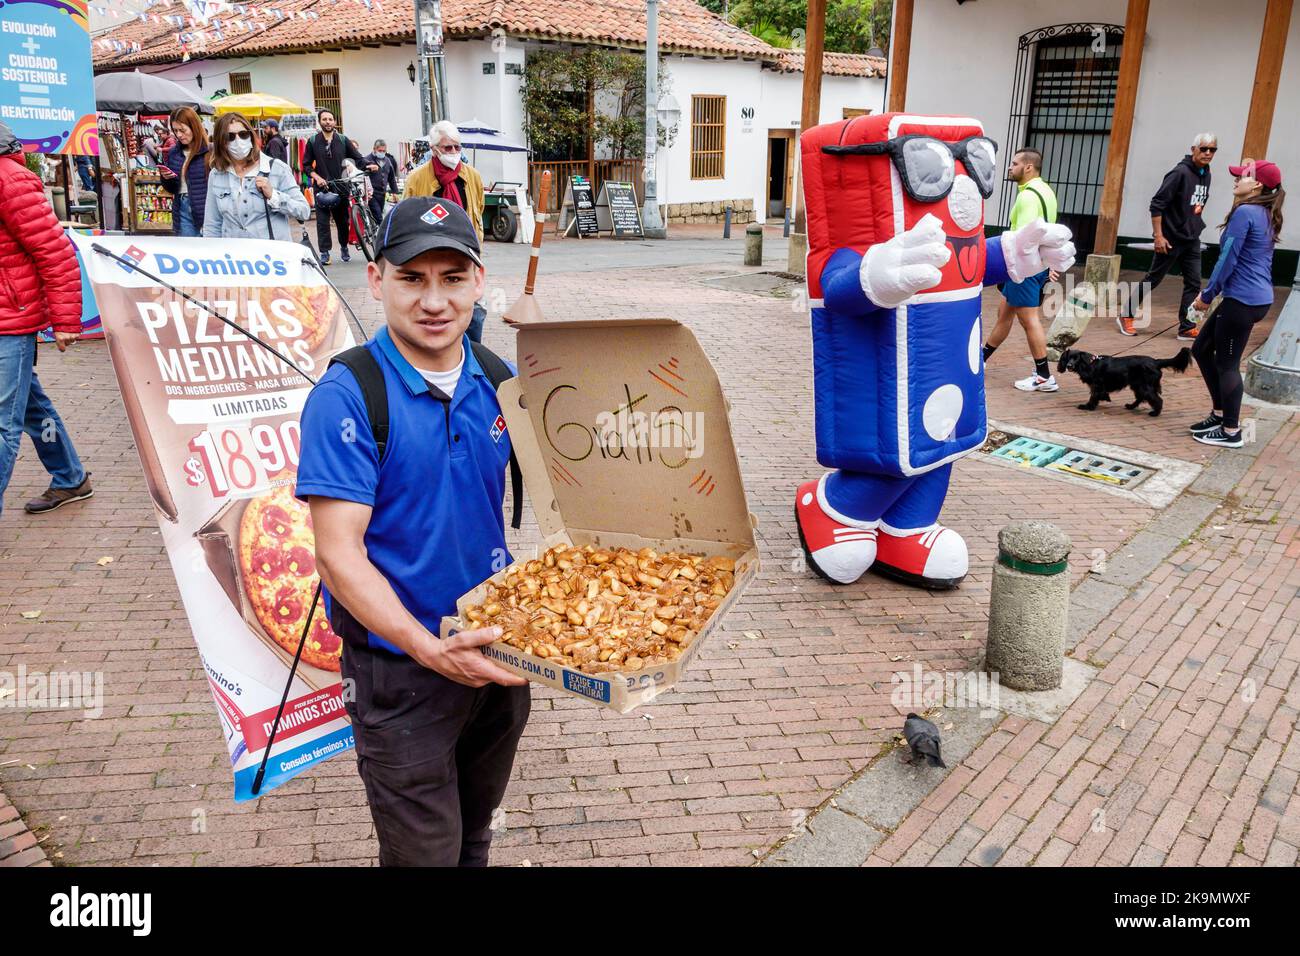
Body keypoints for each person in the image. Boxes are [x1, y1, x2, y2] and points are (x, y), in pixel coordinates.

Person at [295, 197, 529, 866]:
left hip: (498, 656)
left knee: (475, 836)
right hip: (400, 674)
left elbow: (580, 481)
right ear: (376, 280)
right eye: (411, 278)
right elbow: (338, 556)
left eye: (452, 278)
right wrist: (430, 650)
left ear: (478, 281)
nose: (433, 301)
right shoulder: (348, 398)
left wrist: (556, 363)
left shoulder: (500, 380)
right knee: (425, 856)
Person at [0, 122, 92, 517]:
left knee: (3, 425)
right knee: (33, 411)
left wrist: (66, 320)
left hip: (10, 323)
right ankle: (70, 477)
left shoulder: (10, 179)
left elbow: (55, 252)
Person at [1187, 161, 1284, 449]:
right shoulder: (1265, 212)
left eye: (1243, 176)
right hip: (1252, 298)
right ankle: (1219, 415)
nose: (1236, 179)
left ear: (1257, 185)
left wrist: (1207, 296)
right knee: (1201, 348)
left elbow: (1227, 258)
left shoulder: (1245, 212)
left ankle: (1231, 431)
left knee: (1227, 364)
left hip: (1242, 300)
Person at [1118, 133, 1216, 340]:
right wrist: (1158, 236)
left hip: (1192, 238)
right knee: (1153, 279)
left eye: (1212, 149)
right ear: (1193, 149)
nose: (1208, 153)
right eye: (1204, 149)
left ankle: (1187, 326)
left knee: (1194, 283)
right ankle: (1126, 314)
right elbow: (1157, 204)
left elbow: (1196, 205)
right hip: (1170, 238)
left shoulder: (1206, 174)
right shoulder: (1179, 173)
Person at [981, 147, 1062, 392]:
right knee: (1004, 314)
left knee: (1029, 320)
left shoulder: (1027, 196)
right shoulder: (1046, 190)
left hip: (1023, 267)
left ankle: (1044, 376)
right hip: (1034, 265)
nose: (1010, 167)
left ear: (1028, 167)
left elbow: (1024, 237)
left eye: (1015, 163)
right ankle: (981, 360)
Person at [404, 122, 488, 342]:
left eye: (457, 147)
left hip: (465, 253)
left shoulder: (472, 176)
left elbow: (478, 208)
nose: (453, 152)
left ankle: (472, 353)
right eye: (447, 147)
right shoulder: (417, 179)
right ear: (434, 149)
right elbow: (407, 217)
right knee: (434, 311)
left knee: (474, 313)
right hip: (428, 255)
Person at [204, 111, 310, 240]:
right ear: (221, 142)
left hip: (271, 250)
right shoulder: (216, 174)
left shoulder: (277, 169)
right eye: (230, 137)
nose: (238, 141)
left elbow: (304, 211)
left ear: (250, 136)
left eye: (243, 134)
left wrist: (274, 195)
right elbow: (212, 224)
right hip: (233, 251)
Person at [302, 109, 376, 264]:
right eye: (324, 119)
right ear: (320, 122)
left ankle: (343, 247)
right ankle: (325, 252)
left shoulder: (343, 140)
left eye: (330, 119)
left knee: (342, 222)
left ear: (334, 122)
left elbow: (358, 158)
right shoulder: (313, 141)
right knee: (322, 223)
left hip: (342, 186)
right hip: (322, 187)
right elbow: (306, 165)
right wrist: (317, 178)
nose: (328, 122)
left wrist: (369, 165)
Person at [159, 107, 210, 237]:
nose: (179, 135)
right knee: (187, 246)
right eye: (175, 131)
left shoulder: (210, 152)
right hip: (182, 207)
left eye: (182, 130)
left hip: (207, 209)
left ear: (194, 127)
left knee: (208, 247)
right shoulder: (174, 153)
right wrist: (166, 178)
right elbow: (172, 188)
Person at [364, 139, 399, 226]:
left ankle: (375, 231)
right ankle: (381, 232)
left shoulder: (387, 160)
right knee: (378, 216)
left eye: (384, 151)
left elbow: (391, 178)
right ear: (374, 149)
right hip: (371, 194)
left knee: (379, 215)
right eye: (380, 150)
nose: (382, 152)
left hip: (382, 193)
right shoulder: (367, 160)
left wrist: (395, 192)